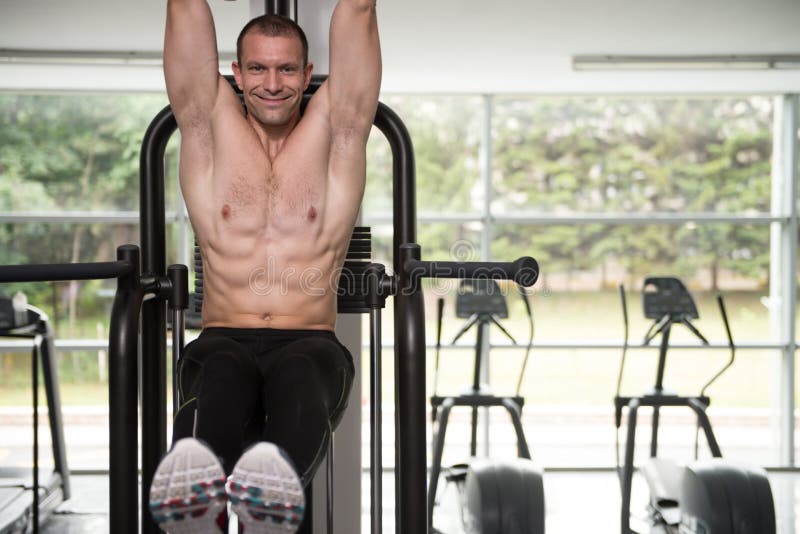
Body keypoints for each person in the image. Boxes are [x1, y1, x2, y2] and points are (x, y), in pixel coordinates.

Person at [148, 0, 380, 532]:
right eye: (257, 67)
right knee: (223, 371)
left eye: (286, 69)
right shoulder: (207, 129)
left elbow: (359, 10)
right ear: (236, 72)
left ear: (307, 72)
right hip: (221, 336)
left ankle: (265, 507)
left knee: (299, 372)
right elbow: (185, 8)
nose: (272, 83)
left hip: (311, 341)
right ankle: (201, 506)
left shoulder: (339, 133)